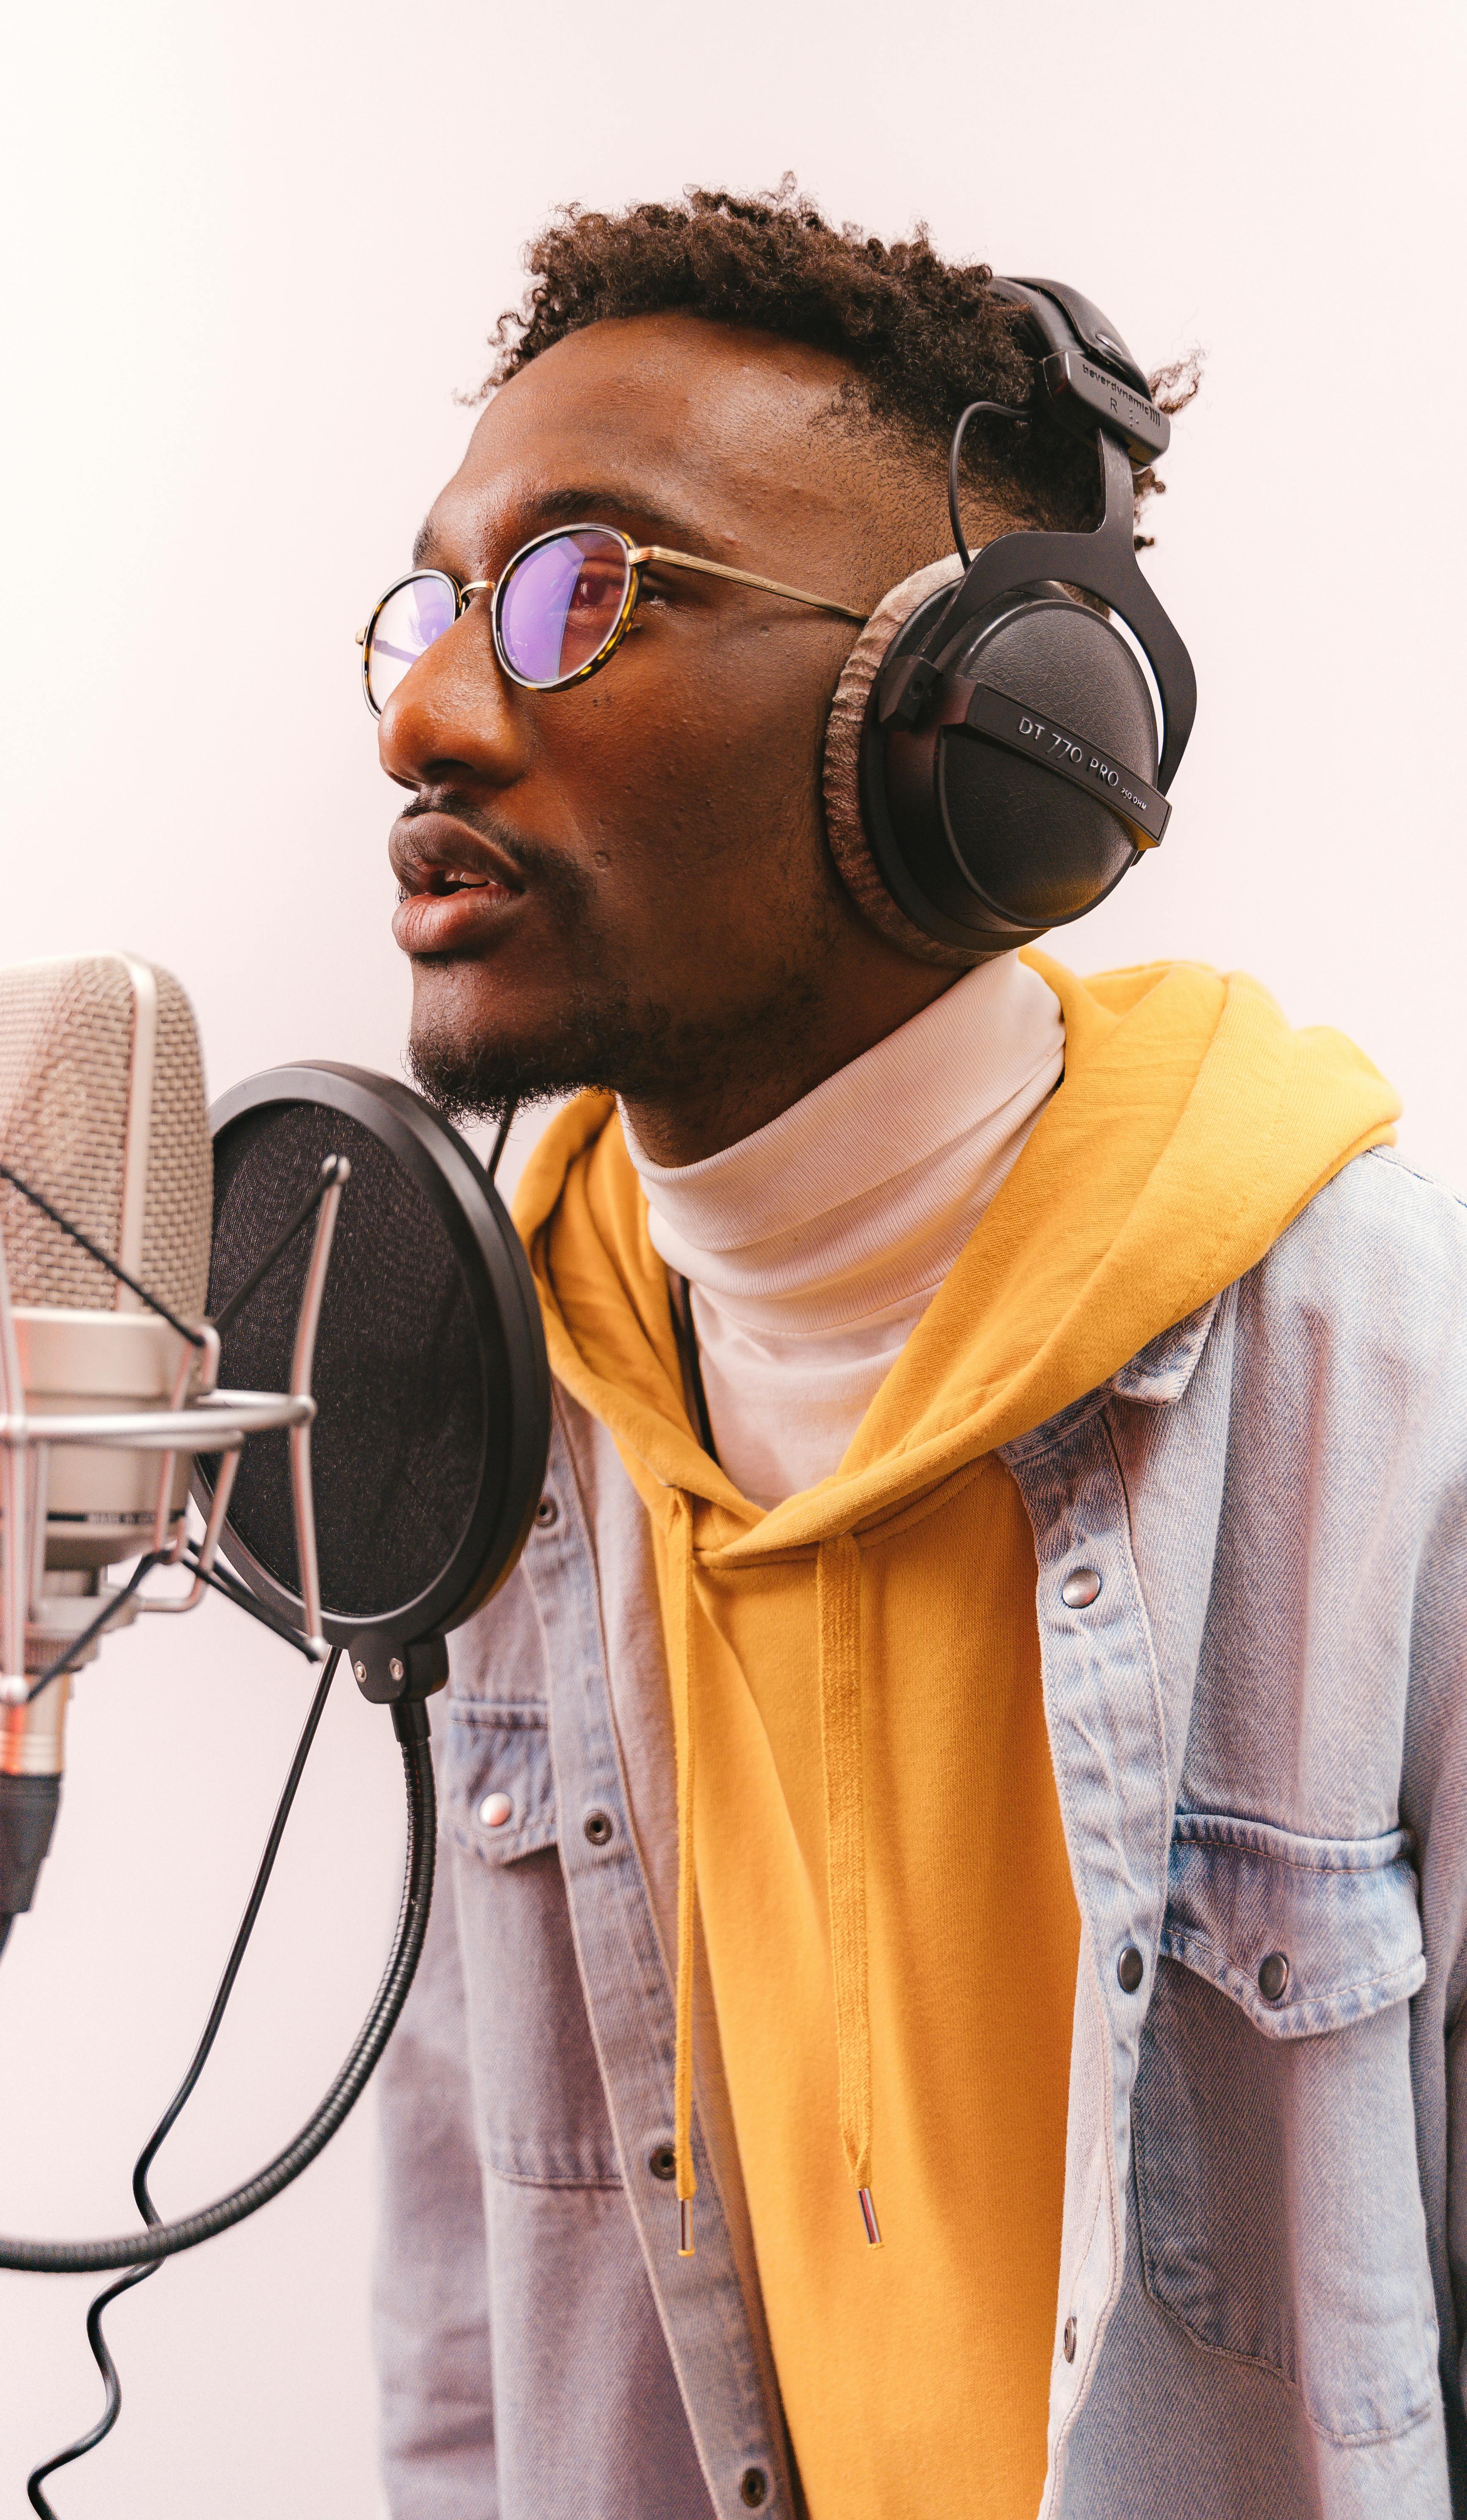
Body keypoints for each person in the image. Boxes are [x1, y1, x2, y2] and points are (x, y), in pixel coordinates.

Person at [363, 185, 1467, 2520]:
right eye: (437, 607)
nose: (427, 716)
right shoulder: (507, 1409)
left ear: (976, 726)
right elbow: (474, 2320)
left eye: (579, 592)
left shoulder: (1396, 1405)